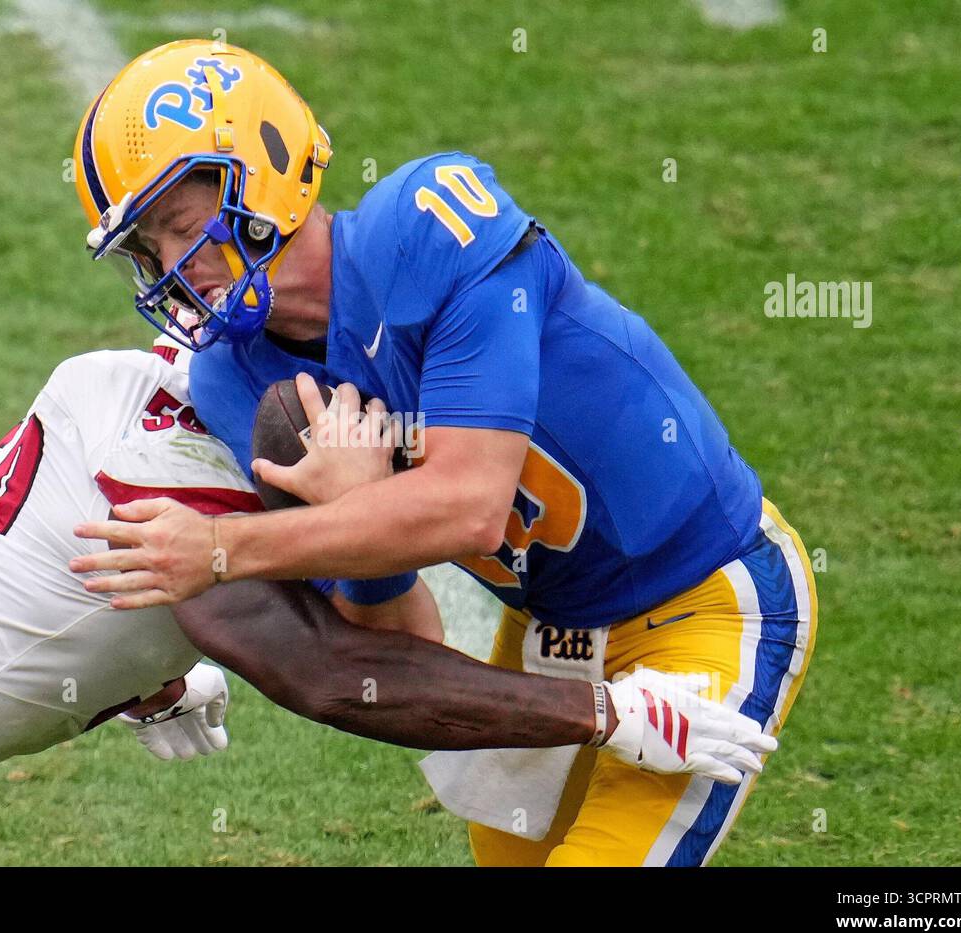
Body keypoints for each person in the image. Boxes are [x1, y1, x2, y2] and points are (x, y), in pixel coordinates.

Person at [70, 39, 818, 866]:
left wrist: (221, 549)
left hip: (706, 594)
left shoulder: (425, 223)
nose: (175, 268)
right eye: (148, 249)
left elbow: (470, 506)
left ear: (267, 171)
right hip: (552, 638)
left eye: (183, 226)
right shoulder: (232, 380)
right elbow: (400, 654)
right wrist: (357, 528)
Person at [0, 340, 771, 866]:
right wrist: (604, 713)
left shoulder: (108, 383)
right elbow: (347, 678)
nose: (362, 418)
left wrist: (132, 675)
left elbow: (11, 580)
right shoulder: (189, 488)